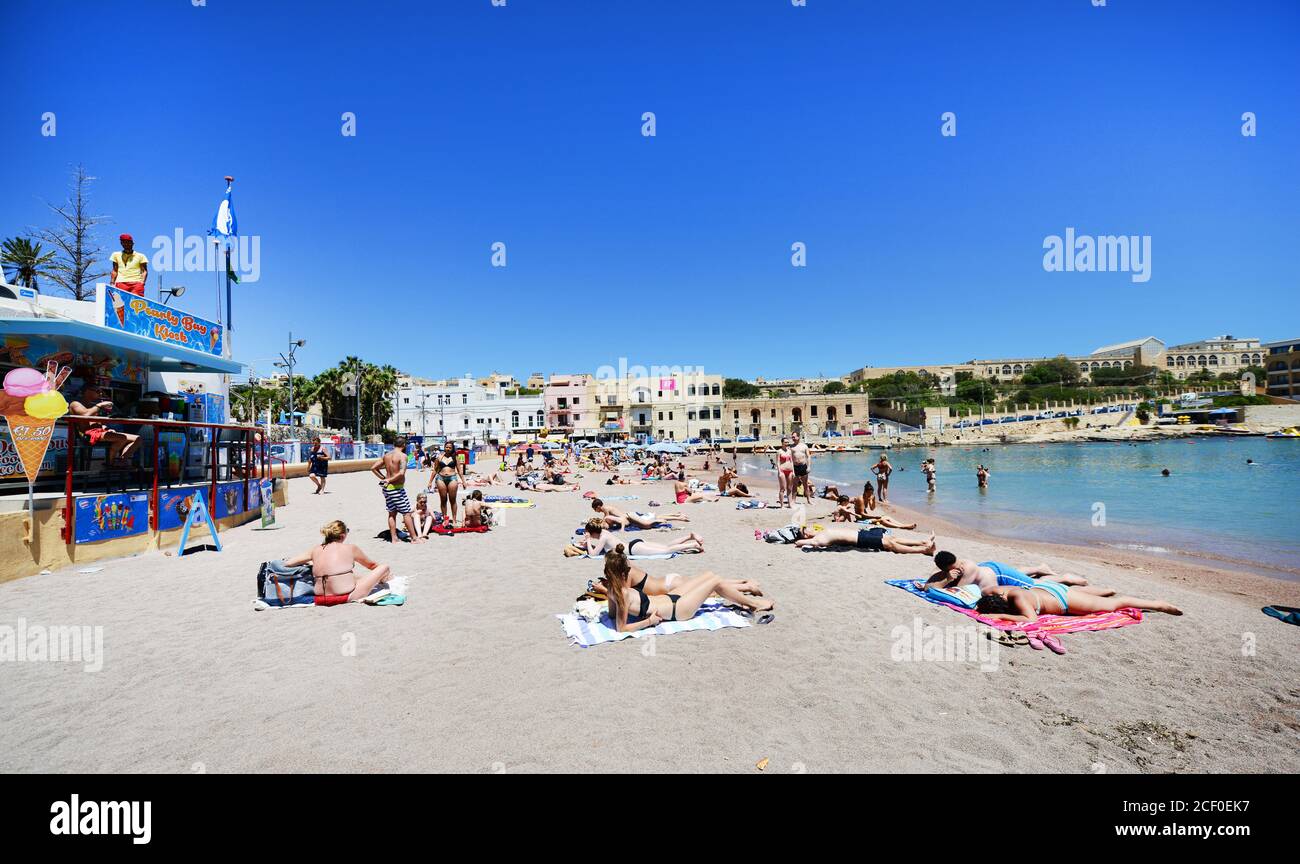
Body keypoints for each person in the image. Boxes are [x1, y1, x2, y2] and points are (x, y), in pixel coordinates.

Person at [603, 545, 773, 631]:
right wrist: (649, 622)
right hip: (678, 609)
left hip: (671, 597)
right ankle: (755, 605)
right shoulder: (621, 593)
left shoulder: (613, 589)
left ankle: (745, 594)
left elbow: (612, 614)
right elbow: (621, 628)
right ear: (622, 572)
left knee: (709, 575)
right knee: (716, 583)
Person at [283, 520, 392, 606]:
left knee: (353, 576)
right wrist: (383, 576)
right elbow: (372, 565)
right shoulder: (351, 548)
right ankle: (385, 579)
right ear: (342, 536)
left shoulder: (315, 550)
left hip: (320, 598)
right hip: (347, 596)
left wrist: (312, 562)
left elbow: (289, 563)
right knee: (384, 567)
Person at [976, 583, 1182, 622]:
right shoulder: (1005, 592)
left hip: (1063, 599)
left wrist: (1001, 615)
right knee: (1097, 600)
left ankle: (1158, 604)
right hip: (1050, 589)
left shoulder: (1017, 599)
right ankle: (1104, 591)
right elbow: (987, 592)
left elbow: (1030, 620)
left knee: (1115, 605)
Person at [924, 552, 1092, 593]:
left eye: (958, 564)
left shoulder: (965, 567)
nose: (958, 567)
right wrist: (945, 579)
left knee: (1033, 584)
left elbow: (958, 592)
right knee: (1017, 573)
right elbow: (928, 586)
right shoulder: (946, 570)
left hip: (999, 573)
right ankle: (1039, 568)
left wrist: (945, 582)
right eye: (954, 567)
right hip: (990, 571)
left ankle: (1068, 578)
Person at [68, 384, 141, 466]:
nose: (101, 394)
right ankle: (110, 463)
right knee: (122, 438)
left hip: (100, 432)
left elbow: (96, 422)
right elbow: (86, 415)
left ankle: (121, 462)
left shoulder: (92, 405)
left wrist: (105, 428)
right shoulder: (75, 403)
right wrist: (99, 405)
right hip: (88, 435)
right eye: (98, 391)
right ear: (88, 391)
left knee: (137, 439)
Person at [371, 436, 424, 543]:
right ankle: (414, 538)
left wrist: (384, 478)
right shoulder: (403, 456)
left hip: (386, 489)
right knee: (407, 513)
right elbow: (401, 473)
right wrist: (389, 480)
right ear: (404, 445)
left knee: (392, 513)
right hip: (396, 488)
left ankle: (394, 538)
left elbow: (373, 468)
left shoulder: (387, 455)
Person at [568, 518, 704, 557]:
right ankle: (689, 536)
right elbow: (598, 548)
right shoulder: (605, 534)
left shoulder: (602, 538)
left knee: (666, 551)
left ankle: (692, 545)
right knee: (666, 546)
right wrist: (588, 542)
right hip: (635, 543)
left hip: (633, 550)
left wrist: (588, 540)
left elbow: (593, 555)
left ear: (592, 532)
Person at [793, 524, 936, 555]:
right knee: (890, 544)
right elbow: (799, 543)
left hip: (861, 533)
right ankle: (923, 550)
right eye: (807, 529)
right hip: (860, 541)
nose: (810, 527)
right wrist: (803, 541)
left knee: (892, 537)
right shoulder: (817, 539)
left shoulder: (821, 531)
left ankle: (923, 542)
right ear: (806, 535)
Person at [591, 498, 689, 528]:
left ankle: (679, 517)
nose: (596, 511)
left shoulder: (606, 509)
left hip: (629, 516)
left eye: (595, 509)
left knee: (649, 522)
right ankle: (677, 515)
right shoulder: (607, 508)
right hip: (629, 516)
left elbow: (607, 519)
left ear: (598, 506)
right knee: (652, 518)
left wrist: (598, 523)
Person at [429, 441, 463, 526]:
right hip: (441, 478)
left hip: (452, 478)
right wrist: (430, 481)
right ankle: (445, 519)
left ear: (452, 449)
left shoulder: (455, 457)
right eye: (446, 447)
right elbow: (435, 470)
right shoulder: (439, 457)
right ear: (444, 447)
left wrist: (464, 481)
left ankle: (454, 519)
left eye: (449, 447)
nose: (447, 449)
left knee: (453, 500)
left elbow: (459, 470)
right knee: (443, 500)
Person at [790, 432, 812, 504]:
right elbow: (789, 458)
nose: (793, 438)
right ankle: (793, 500)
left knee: (805, 484)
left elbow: (808, 456)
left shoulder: (804, 446)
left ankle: (809, 500)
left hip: (803, 466)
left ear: (798, 437)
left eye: (794, 437)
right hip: (795, 467)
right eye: (792, 437)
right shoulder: (791, 447)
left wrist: (808, 467)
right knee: (795, 484)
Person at [776, 438, 795, 507]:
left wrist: (793, 471)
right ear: (782, 443)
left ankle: (790, 504)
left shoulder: (789, 451)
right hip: (782, 471)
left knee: (790, 488)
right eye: (786, 442)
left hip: (790, 471)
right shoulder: (779, 451)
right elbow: (778, 462)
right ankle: (782, 505)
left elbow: (791, 462)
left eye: (788, 442)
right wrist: (779, 472)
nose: (787, 444)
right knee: (782, 488)